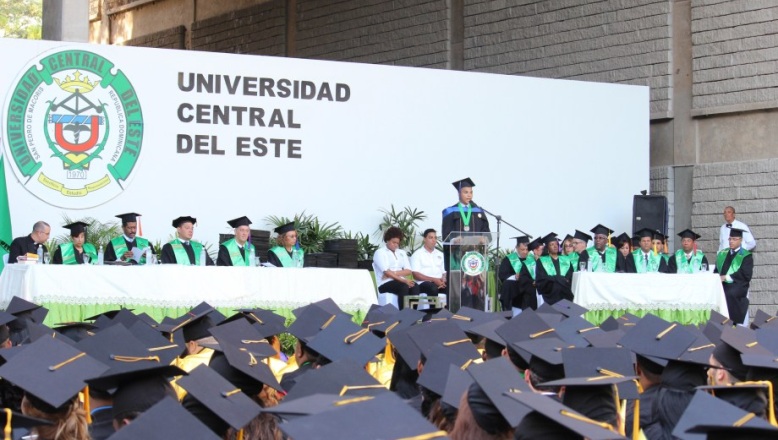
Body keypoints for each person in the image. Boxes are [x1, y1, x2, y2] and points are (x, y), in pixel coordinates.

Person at [441, 177, 490, 272]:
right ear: (459, 193)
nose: (469, 195)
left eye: (471, 192)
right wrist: (454, 240)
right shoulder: (450, 212)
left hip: (476, 257)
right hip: (457, 257)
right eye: (466, 192)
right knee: (458, 285)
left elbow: (487, 233)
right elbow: (446, 236)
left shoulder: (478, 211)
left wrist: (484, 238)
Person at [373, 226, 420, 309]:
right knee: (403, 287)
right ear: (387, 240)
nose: (395, 245)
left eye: (397, 243)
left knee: (415, 286)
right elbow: (386, 272)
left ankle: (413, 315)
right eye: (393, 242)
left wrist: (394, 273)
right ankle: (403, 316)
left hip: (399, 281)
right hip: (385, 283)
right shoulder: (380, 253)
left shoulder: (402, 253)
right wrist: (404, 280)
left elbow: (408, 270)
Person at [715, 227, 753, 325]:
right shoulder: (722, 253)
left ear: (740, 240)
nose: (731, 241)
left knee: (729, 293)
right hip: (721, 284)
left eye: (734, 239)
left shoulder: (746, 255)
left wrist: (726, 277)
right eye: (730, 239)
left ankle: (731, 323)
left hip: (737, 284)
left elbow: (746, 275)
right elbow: (716, 270)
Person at [535, 233, 574, 305]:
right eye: (552, 244)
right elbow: (541, 279)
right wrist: (559, 279)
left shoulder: (566, 259)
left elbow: (570, 275)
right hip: (550, 294)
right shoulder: (541, 261)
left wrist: (554, 279)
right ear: (547, 247)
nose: (555, 246)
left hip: (566, 294)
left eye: (556, 244)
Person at [410, 229, 447, 303]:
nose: (434, 240)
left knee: (451, 288)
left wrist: (444, 280)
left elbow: (444, 272)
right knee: (432, 288)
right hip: (424, 283)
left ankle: (449, 313)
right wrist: (434, 280)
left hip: (439, 282)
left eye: (435, 238)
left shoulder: (440, 254)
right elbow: (415, 275)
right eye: (431, 238)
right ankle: (433, 313)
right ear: (424, 239)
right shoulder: (417, 254)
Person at [497, 236, 532, 313]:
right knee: (507, 286)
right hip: (515, 289)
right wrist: (514, 276)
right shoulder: (509, 259)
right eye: (522, 249)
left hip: (528, 288)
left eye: (527, 249)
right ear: (517, 248)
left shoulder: (532, 259)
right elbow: (502, 275)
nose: (525, 252)